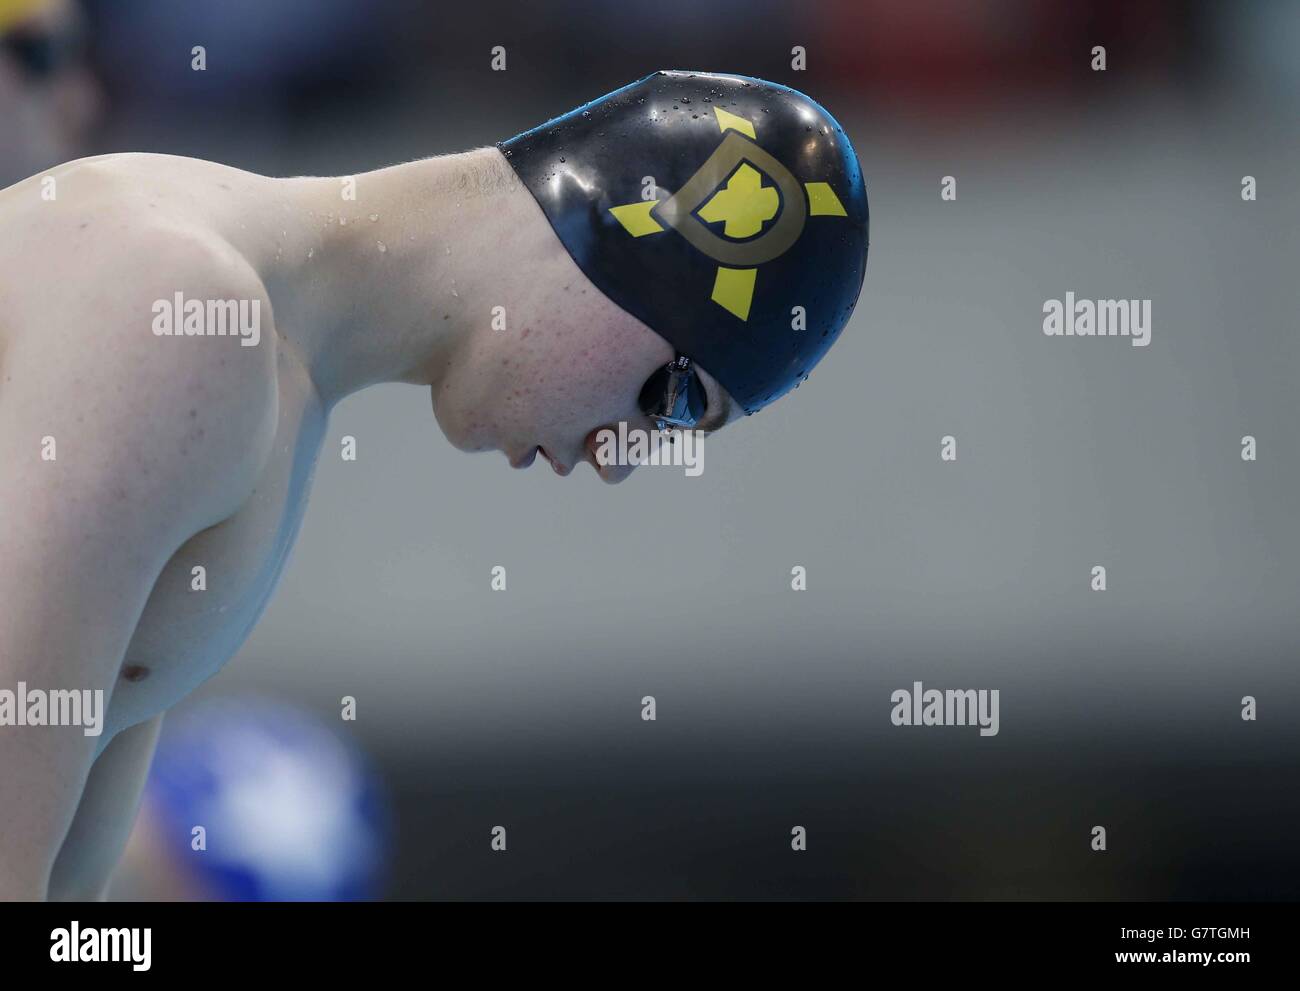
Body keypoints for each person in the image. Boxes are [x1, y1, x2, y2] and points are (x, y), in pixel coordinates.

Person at [0, 70, 868, 900]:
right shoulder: (182, 304)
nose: (621, 457)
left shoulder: (271, 391)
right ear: (609, 238)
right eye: (675, 400)